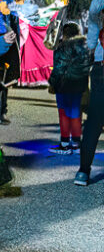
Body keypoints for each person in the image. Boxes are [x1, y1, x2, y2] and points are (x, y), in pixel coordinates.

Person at [48, 21, 91, 155]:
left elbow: (58, 68)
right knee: (75, 113)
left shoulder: (63, 47)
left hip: (64, 84)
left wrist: (52, 83)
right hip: (80, 84)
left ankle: (65, 144)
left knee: (64, 114)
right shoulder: (87, 46)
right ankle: (77, 144)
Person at [76, 0, 104, 185]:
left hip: (100, 66)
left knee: (94, 120)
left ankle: (83, 171)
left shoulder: (99, 0)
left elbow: (92, 40)